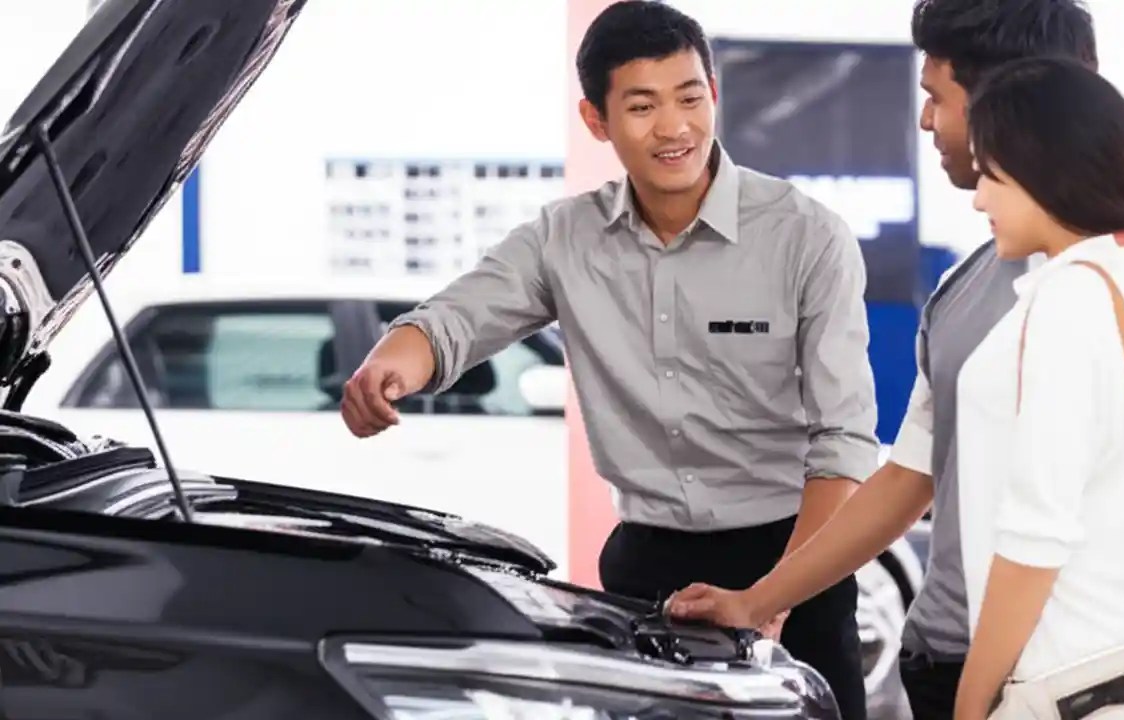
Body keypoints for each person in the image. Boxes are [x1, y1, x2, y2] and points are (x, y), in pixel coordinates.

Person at [339, 2, 879, 717]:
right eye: (643, 105)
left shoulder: (806, 236)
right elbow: (454, 320)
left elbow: (842, 444)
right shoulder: (564, 238)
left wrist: (772, 597)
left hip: (794, 556)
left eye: (690, 97)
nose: (674, 127)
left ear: (714, 95)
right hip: (646, 572)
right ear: (597, 120)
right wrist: (388, 368)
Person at [664, 1, 1098, 717]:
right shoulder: (966, 284)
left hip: (1046, 681)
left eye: (937, 97)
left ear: (1005, 102)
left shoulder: (1106, 282)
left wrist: (986, 695)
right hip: (945, 657)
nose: (925, 121)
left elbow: (1060, 532)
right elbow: (907, 476)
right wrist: (758, 601)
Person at [949, 57, 1124, 719]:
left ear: (1048, 169)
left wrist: (970, 698)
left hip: (1072, 686)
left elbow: (1034, 540)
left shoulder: (1071, 300)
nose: (979, 197)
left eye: (991, 174)